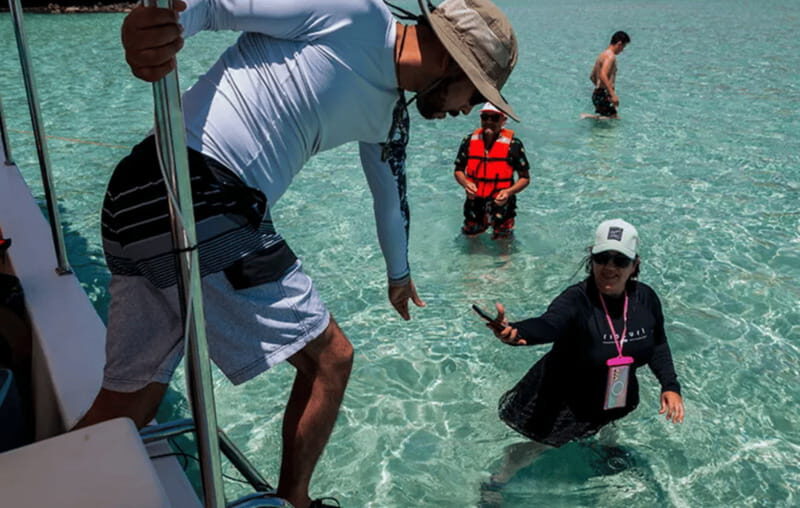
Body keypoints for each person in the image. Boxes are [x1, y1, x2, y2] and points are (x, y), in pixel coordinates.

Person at [75, 1, 519, 507]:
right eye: (475, 93)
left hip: (137, 195)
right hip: (201, 195)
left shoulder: (392, 118)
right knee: (331, 360)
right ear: (450, 60)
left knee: (130, 400)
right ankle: (294, 501)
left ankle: (40, 483)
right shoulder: (357, 13)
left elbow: (390, 199)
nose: (468, 109)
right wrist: (159, 31)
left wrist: (399, 276)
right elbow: (215, 6)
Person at [482, 218, 684, 485]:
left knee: (610, 422)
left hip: (616, 390)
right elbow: (548, 324)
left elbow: (657, 342)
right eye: (602, 258)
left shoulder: (645, 298)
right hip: (567, 395)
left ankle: (607, 449)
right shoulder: (576, 299)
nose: (609, 267)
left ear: (634, 265)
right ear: (592, 259)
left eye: (620, 260)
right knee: (543, 445)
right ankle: (499, 477)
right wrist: (517, 332)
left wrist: (670, 385)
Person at [454, 102, 530, 238]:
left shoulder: (514, 145)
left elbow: (525, 178)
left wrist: (508, 192)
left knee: (503, 240)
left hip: (503, 202)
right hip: (474, 201)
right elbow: (458, 170)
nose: (489, 122)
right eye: (485, 117)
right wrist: (466, 184)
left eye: (494, 118)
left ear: (503, 120)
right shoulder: (468, 141)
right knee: (471, 238)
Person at [589, 31, 630, 118]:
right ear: (619, 44)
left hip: (597, 94)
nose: (622, 50)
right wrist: (612, 94)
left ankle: (591, 117)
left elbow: (592, 76)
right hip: (604, 95)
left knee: (609, 119)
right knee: (613, 119)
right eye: (623, 47)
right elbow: (602, 74)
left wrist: (599, 89)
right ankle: (587, 117)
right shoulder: (610, 56)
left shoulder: (602, 55)